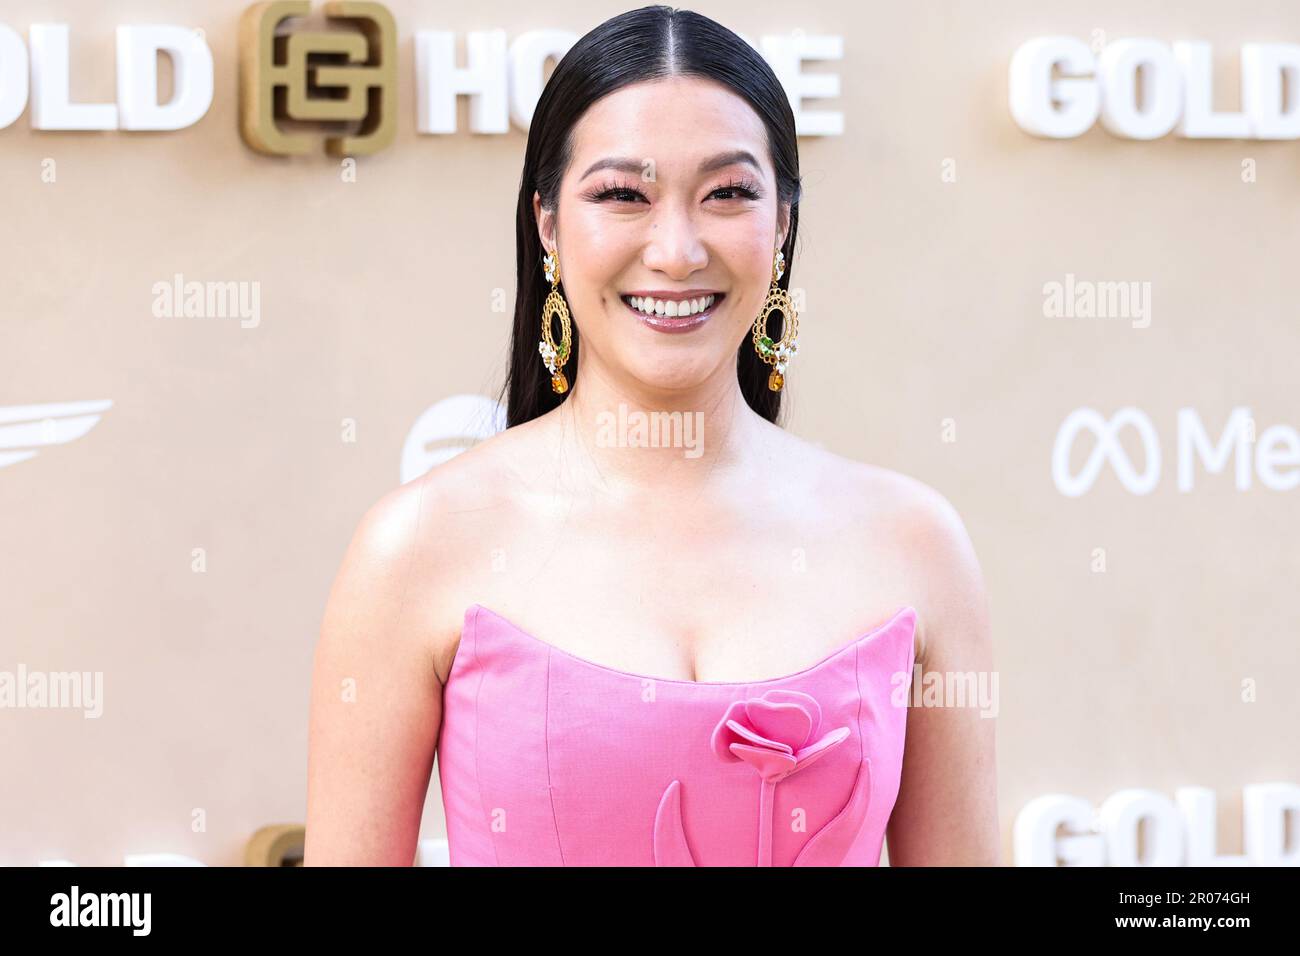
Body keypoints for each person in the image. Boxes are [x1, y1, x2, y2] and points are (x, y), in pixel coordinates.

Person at [305, 4, 998, 866]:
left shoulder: (912, 542)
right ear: (548, 225)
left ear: (782, 225)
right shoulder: (419, 545)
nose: (677, 251)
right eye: (622, 196)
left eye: (728, 194)